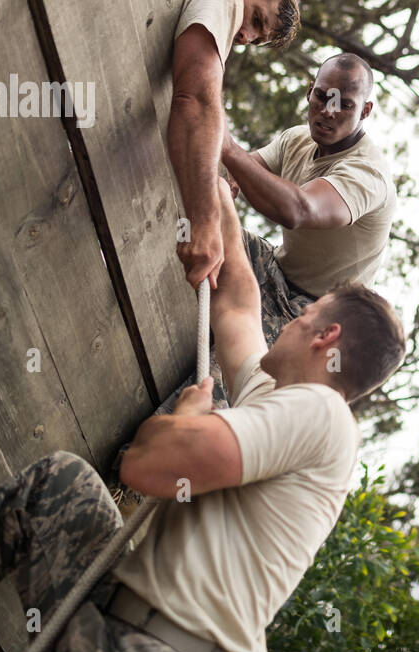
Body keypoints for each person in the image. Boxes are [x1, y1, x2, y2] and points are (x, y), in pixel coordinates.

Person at [0, 179, 405, 652]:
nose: (288, 323)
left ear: (326, 336)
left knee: (70, 482)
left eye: (303, 315)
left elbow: (151, 466)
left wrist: (183, 419)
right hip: (124, 631)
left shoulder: (323, 415)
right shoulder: (275, 399)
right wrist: (214, 182)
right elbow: (236, 298)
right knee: (65, 487)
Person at [154, 51, 396, 414]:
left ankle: (156, 454)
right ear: (309, 91)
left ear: (365, 111)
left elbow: (298, 209)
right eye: (321, 97)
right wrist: (222, 178)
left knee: (228, 380)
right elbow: (238, 172)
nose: (328, 111)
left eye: (345, 105)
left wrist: (227, 146)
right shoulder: (297, 139)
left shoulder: (367, 174)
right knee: (192, 216)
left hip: (308, 313)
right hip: (272, 269)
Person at [169, 0, 300, 292]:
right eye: (256, 18)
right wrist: (206, 222)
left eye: (257, 38)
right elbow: (196, 102)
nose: (246, 36)